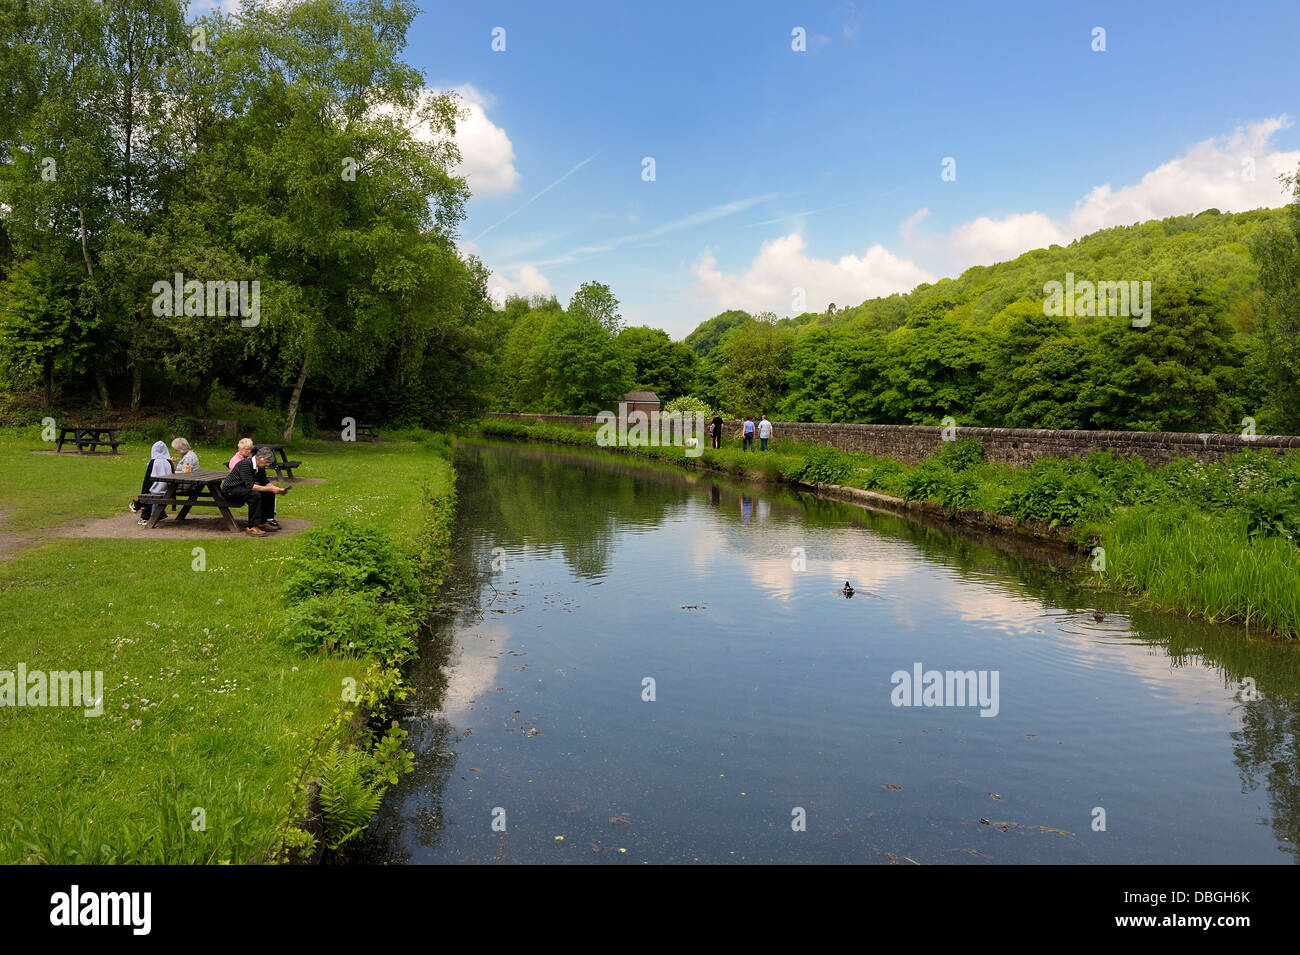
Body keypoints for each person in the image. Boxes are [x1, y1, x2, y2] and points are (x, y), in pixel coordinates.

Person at [220, 446, 289, 537]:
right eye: (267, 462)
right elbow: (251, 486)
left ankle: (263, 522)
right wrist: (271, 488)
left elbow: (265, 481)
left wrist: (277, 489)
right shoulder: (245, 464)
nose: (267, 465)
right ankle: (252, 526)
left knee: (269, 493)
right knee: (254, 495)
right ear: (260, 458)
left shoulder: (260, 465)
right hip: (230, 490)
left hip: (242, 488)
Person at [135, 441, 173, 526]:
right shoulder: (169, 462)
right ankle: (159, 513)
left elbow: (147, 480)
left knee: (149, 494)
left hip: (154, 490)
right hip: (167, 490)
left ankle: (141, 512)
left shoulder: (152, 463)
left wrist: (143, 492)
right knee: (153, 494)